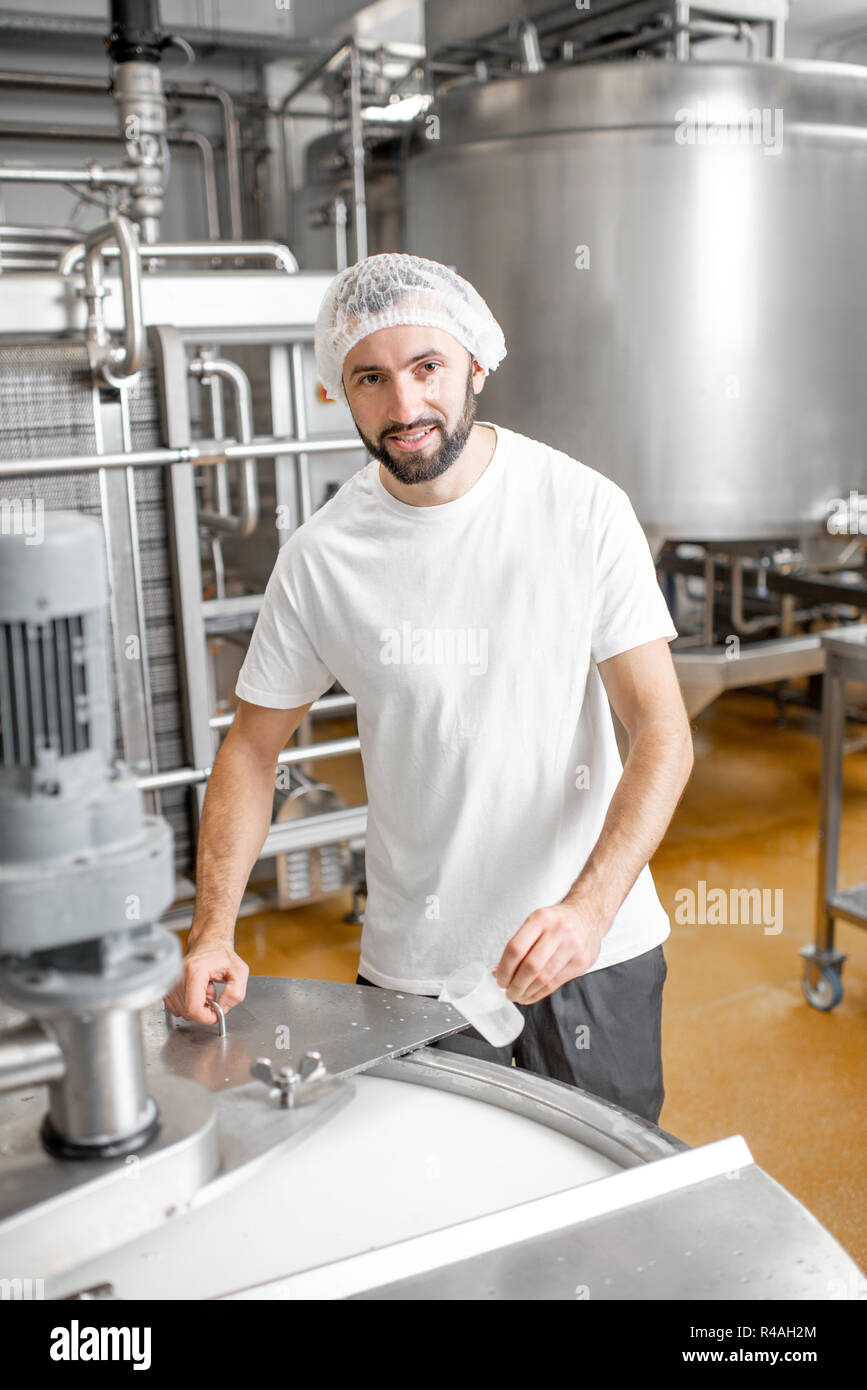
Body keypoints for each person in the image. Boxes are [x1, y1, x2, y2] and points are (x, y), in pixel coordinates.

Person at [163, 252, 693, 1124]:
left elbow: (661, 731)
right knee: (436, 1212)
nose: (404, 407)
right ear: (338, 390)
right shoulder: (322, 557)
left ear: (475, 363)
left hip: (594, 952)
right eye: (371, 378)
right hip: (420, 967)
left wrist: (588, 908)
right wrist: (211, 931)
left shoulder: (580, 507)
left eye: (426, 367)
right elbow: (251, 754)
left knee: (607, 1198)